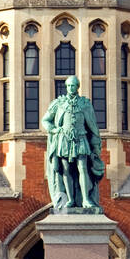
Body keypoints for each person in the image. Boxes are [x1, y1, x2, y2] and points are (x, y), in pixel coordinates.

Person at [42, 74, 104, 213]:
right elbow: (45, 120)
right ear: (66, 87)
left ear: (78, 87)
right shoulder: (58, 103)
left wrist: (95, 146)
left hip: (81, 139)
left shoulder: (85, 104)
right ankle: (70, 199)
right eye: (68, 85)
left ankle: (86, 199)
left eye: (73, 85)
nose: (71, 88)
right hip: (64, 140)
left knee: (82, 168)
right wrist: (54, 130)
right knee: (66, 170)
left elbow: (93, 126)